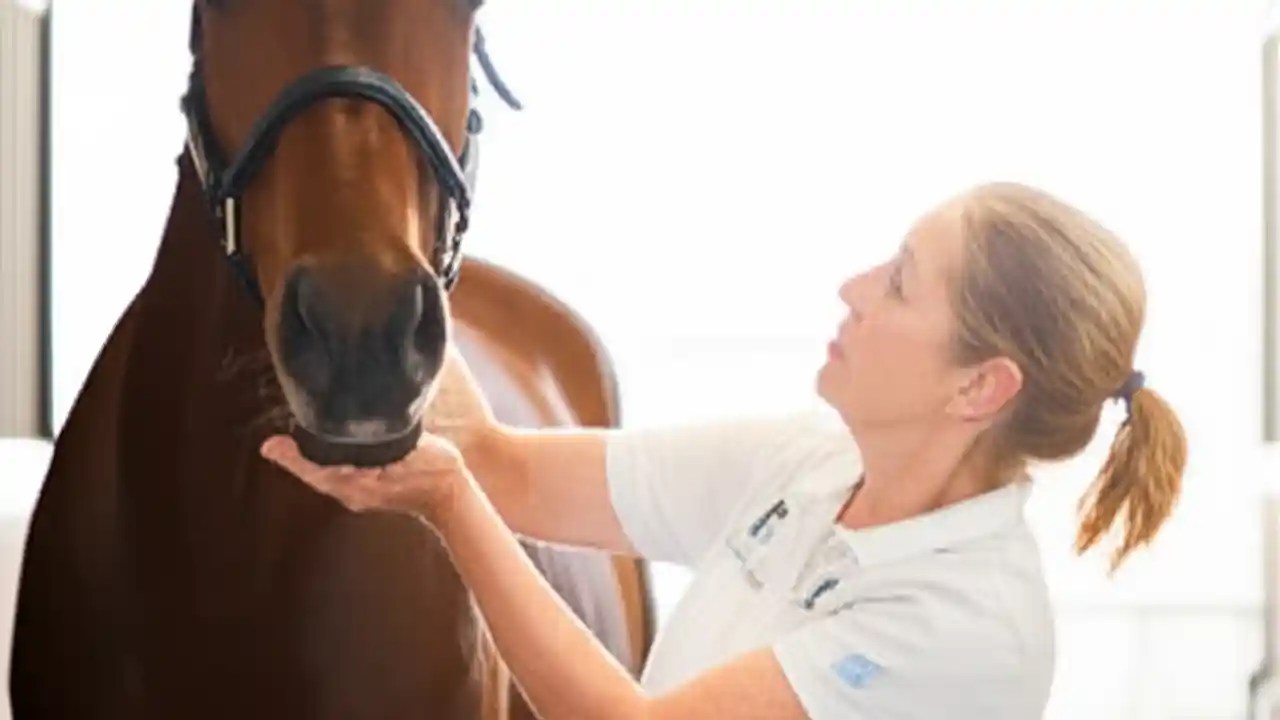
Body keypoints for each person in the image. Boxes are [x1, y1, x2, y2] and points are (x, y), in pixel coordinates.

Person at [260, 180, 1188, 719]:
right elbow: (513, 470)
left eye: (900, 284)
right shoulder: (810, 465)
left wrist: (449, 504)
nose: (853, 288)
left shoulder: (968, 625)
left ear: (979, 387)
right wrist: (399, 270)